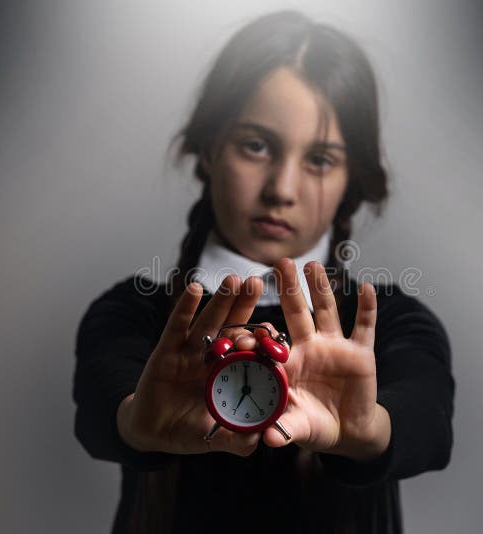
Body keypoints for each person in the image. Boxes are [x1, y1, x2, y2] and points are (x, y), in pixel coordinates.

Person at [73, 10, 455, 534]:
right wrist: (137, 422)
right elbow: (101, 404)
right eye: (256, 146)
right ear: (209, 149)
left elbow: (429, 422)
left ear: (352, 179)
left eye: (319, 159)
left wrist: (368, 429)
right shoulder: (134, 312)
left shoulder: (389, 321)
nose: (281, 188)